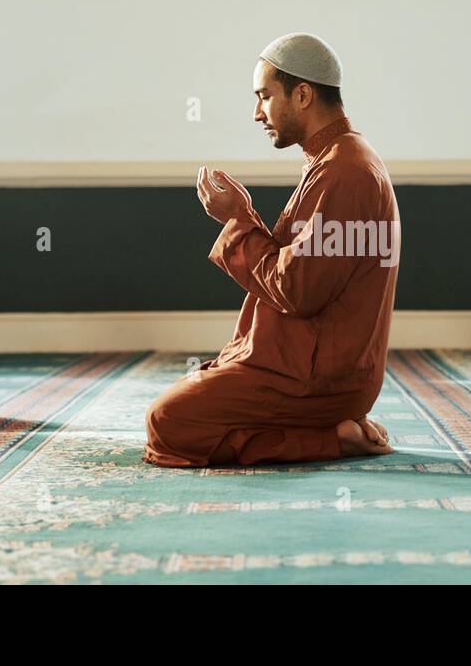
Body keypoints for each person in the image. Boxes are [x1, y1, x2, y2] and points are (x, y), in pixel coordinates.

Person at [144, 33, 400, 467]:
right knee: (189, 401)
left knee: (168, 422)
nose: (257, 113)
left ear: (302, 94)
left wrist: (237, 221)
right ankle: (330, 431)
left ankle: (333, 440)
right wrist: (243, 215)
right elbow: (298, 267)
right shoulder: (336, 160)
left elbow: (295, 290)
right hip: (310, 365)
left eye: (264, 96)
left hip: (316, 378)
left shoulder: (345, 173)